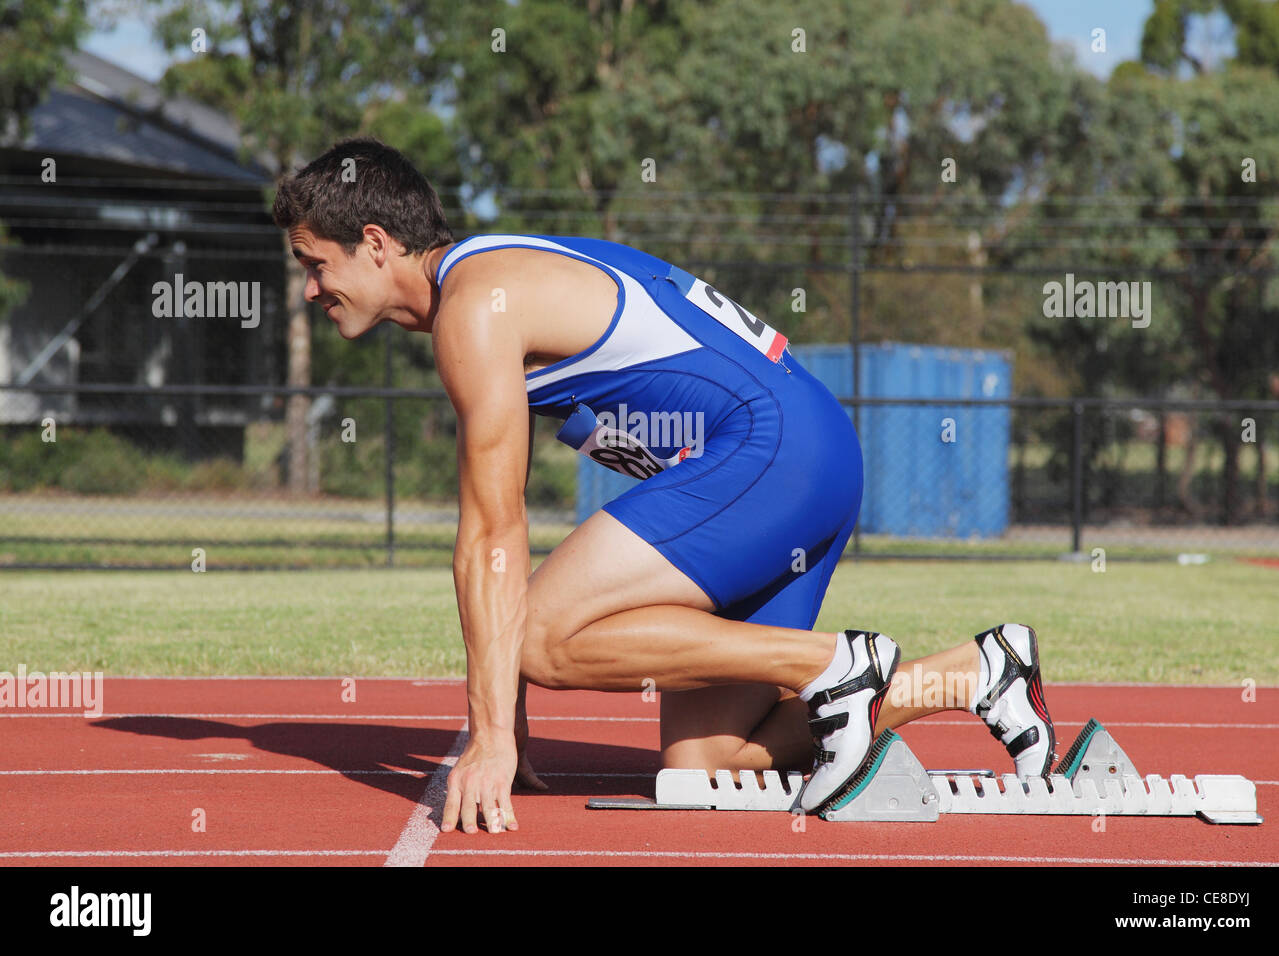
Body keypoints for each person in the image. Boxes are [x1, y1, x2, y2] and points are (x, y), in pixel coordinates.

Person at [272, 137, 1055, 834]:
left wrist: (491, 736)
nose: (311, 289)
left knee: (544, 635)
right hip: (809, 454)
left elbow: (492, 533)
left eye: (317, 265)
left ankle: (829, 663)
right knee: (710, 760)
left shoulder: (475, 306)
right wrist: (502, 716)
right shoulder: (494, 277)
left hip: (775, 452)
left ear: (375, 243)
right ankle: (976, 672)